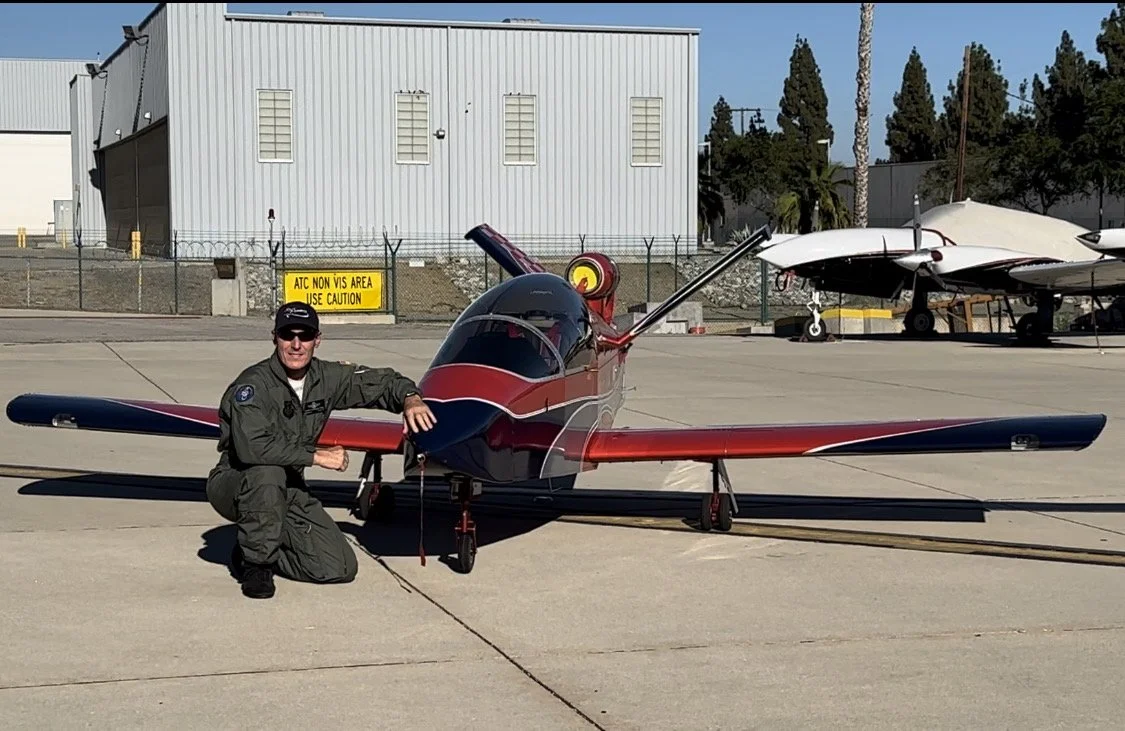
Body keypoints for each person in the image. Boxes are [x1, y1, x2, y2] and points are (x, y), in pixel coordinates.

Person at [205, 301, 437, 599]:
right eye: (288, 335)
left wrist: (410, 398)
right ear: (275, 337)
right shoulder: (253, 386)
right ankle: (255, 564)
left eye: (305, 335)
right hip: (237, 482)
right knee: (267, 472)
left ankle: (263, 546)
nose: (297, 344)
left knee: (338, 567)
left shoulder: (325, 378)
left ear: (318, 339)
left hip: (287, 485)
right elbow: (254, 449)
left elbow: (379, 382)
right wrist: (318, 456)